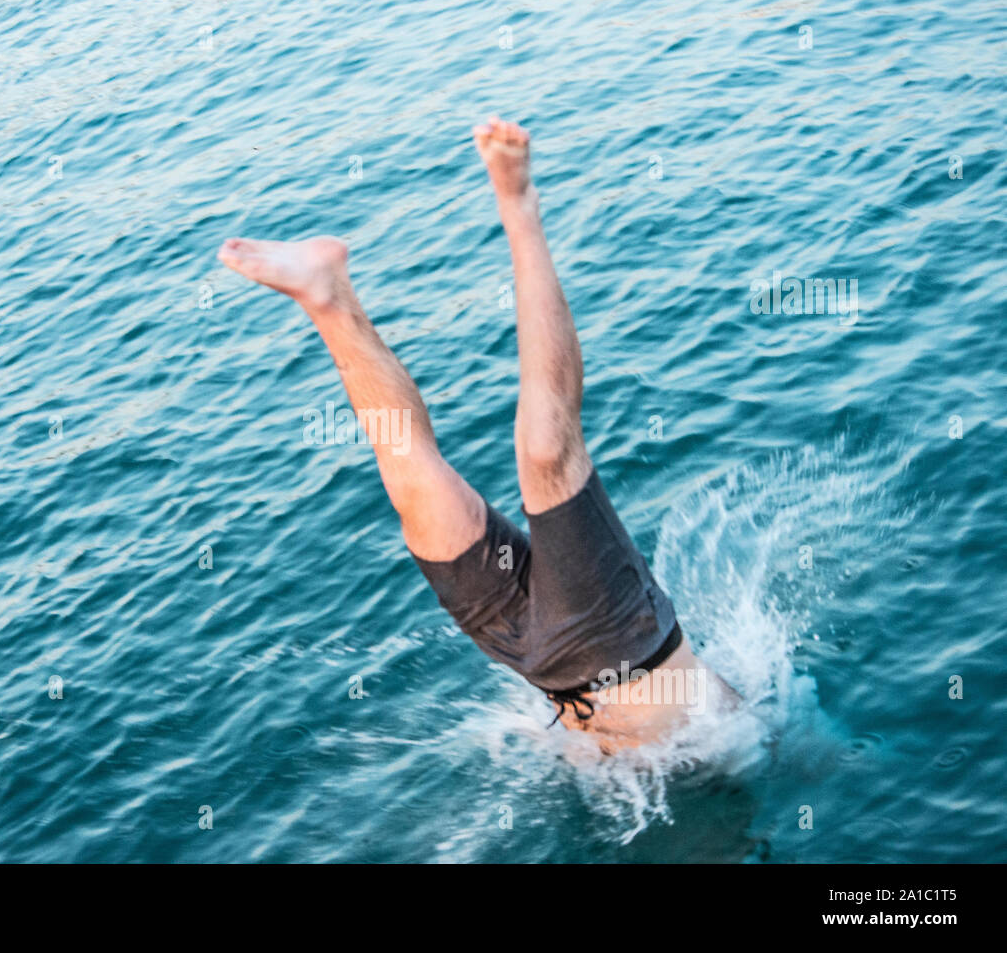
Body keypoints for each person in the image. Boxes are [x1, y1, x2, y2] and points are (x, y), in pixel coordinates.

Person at [218, 118, 737, 750]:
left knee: (414, 486)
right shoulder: (751, 742)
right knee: (547, 451)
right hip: (619, 645)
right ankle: (518, 206)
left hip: (531, 657)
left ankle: (326, 297)